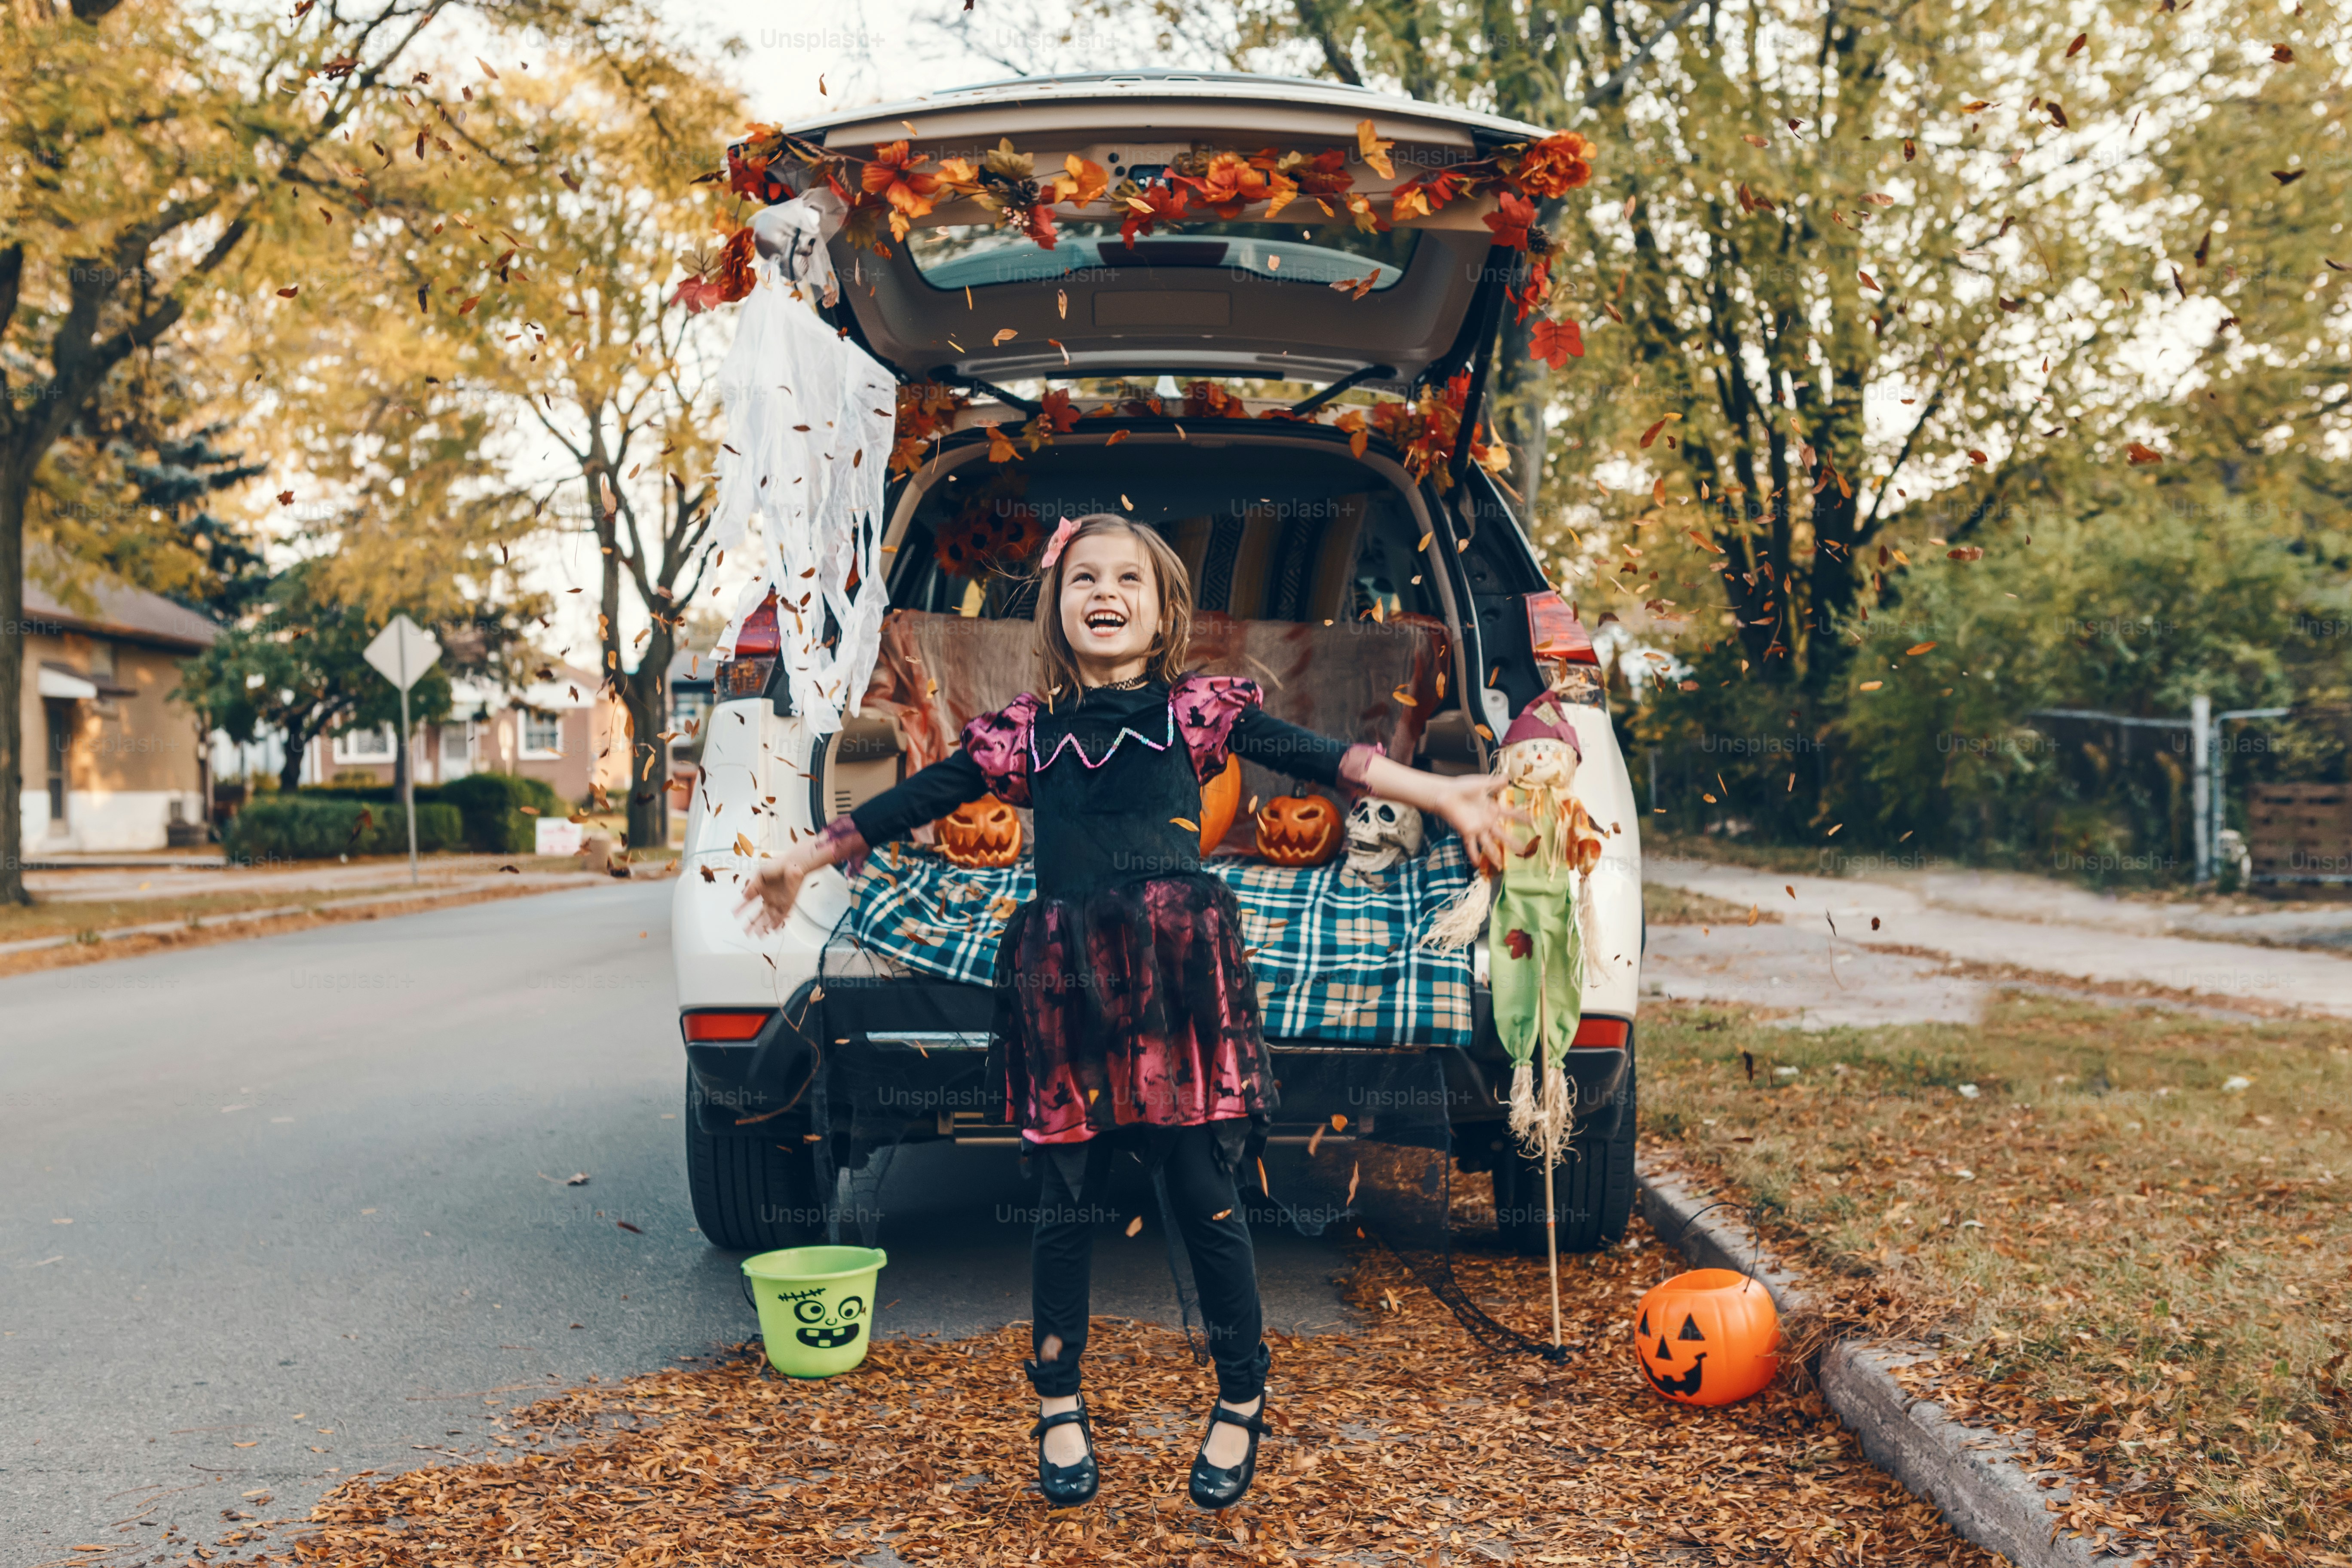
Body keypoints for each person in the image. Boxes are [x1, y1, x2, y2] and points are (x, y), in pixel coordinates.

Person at [741, 512, 1519, 1511]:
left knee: (1205, 1192)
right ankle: (1058, 1403)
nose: (1103, 593)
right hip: (1069, 987)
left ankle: (1242, 1394)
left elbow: (1334, 761)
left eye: (1127, 582)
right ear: (1059, 611)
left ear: (1162, 616)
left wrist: (1446, 797)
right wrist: (799, 858)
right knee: (1065, 1201)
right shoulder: (1025, 733)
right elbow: (914, 800)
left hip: (1179, 983)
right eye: (1082, 579)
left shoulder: (1196, 713)